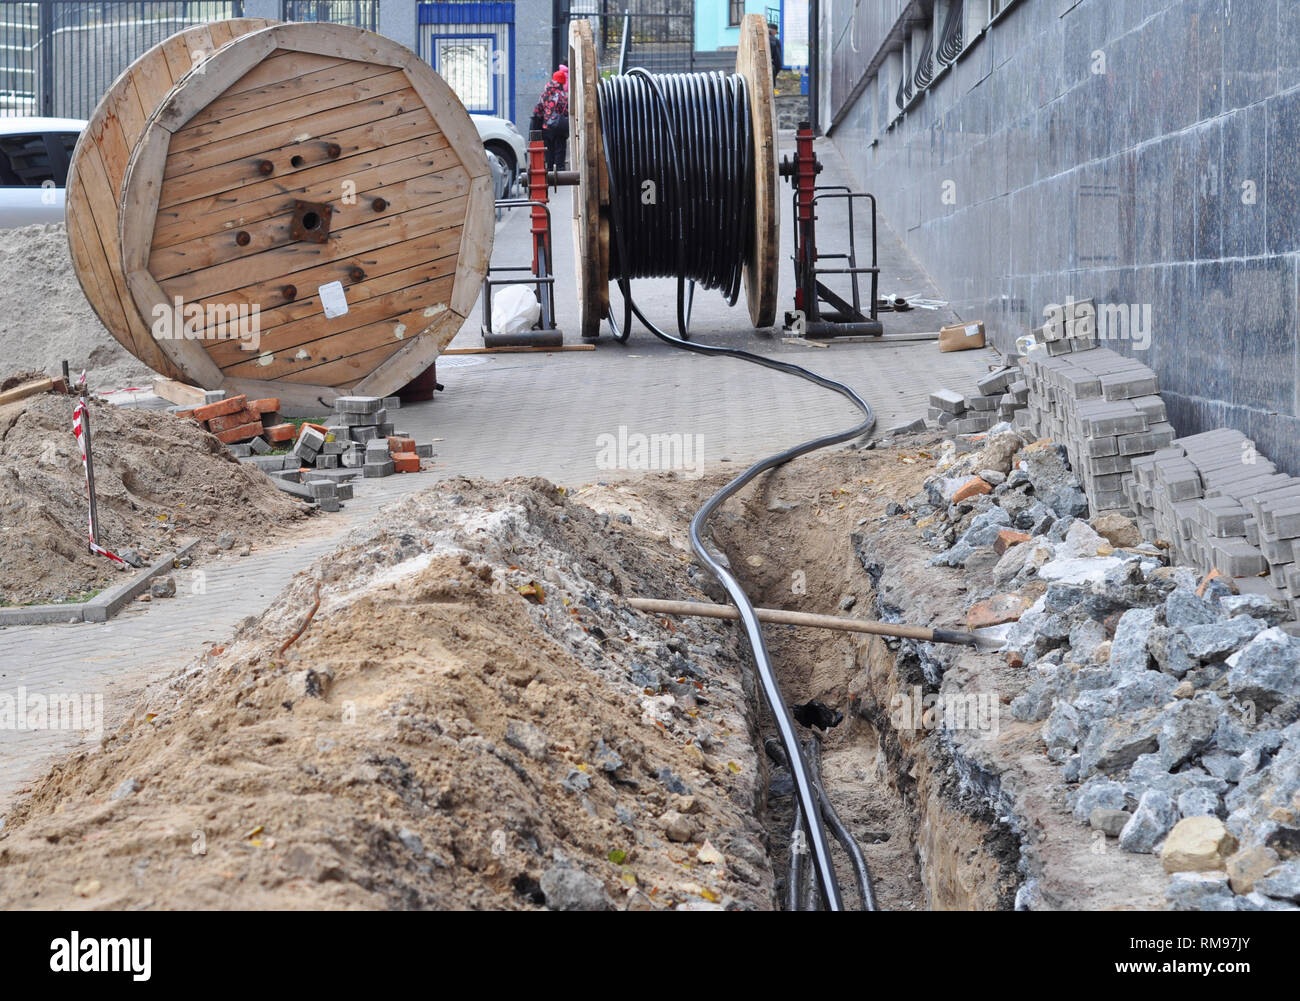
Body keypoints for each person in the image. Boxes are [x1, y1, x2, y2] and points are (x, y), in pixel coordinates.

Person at [531, 66, 570, 172]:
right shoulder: (563, 95)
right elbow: (567, 111)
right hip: (559, 128)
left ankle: (549, 173)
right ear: (562, 82)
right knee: (559, 151)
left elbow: (538, 110)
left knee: (549, 152)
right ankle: (560, 174)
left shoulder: (544, 94)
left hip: (546, 127)